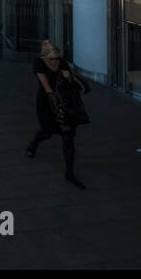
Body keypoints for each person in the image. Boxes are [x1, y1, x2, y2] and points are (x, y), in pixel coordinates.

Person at [27, 41, 91, 188]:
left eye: (57, 58)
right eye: (52, 58)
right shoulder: (39, 64)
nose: (55, 61)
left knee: (68, 138)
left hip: (65, 103)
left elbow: (70, 83)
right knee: (46, 133)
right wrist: (56, 108)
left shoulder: (62, 63)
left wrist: (68, 76)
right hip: (47, 103)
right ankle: (34, 144)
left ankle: (70, 172)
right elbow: (47, 88)